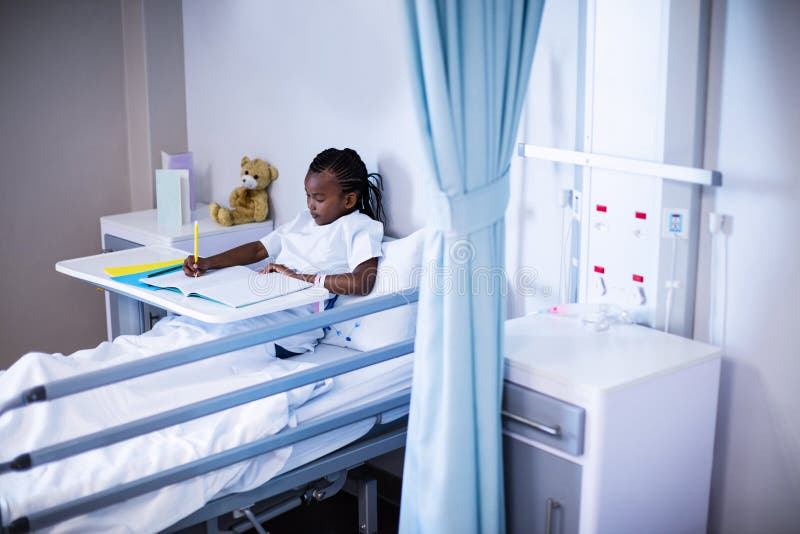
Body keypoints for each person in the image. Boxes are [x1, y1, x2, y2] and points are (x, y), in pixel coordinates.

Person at [181, 146, 386, 355]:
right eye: (308, 196)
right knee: (187, 328)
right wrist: (207, 262)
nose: (310, 205)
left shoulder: (359, 227)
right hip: (262, 303)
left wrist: (296, 277)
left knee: (212, 341)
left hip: (290, 328)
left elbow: (362, 282)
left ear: (349, 200)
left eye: (319, 199)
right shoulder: (302, 221)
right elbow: (256, 250)